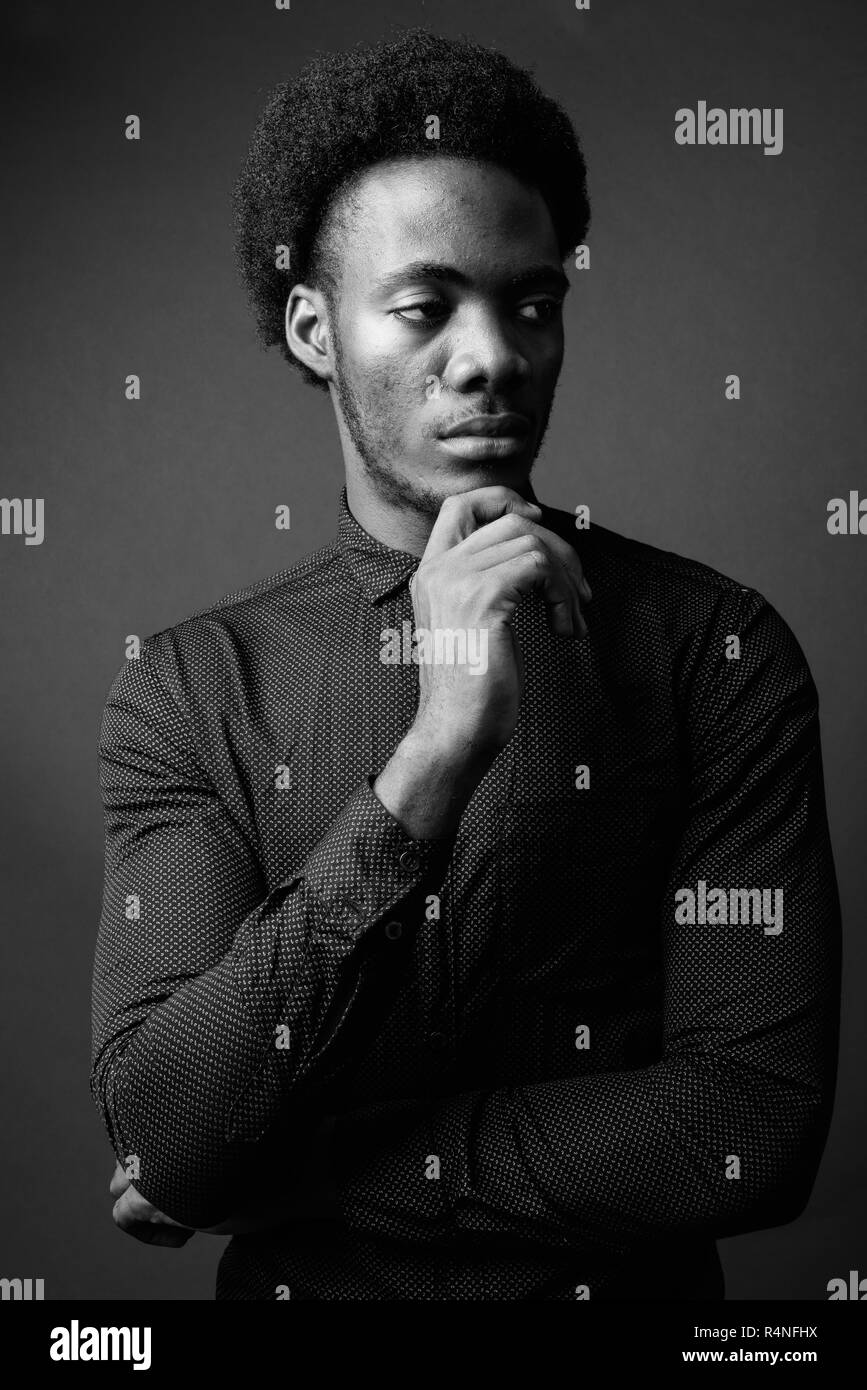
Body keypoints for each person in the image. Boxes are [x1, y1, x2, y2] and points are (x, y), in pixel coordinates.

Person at [92, 28, 841, 1300]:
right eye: (429, 307)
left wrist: (304, 1169)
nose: (494, 355)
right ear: (317, 330)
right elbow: (164, 1123)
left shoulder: (715, 652)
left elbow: (748, 1131)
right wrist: (436, 752)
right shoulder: (193, 688)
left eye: (532, 303)